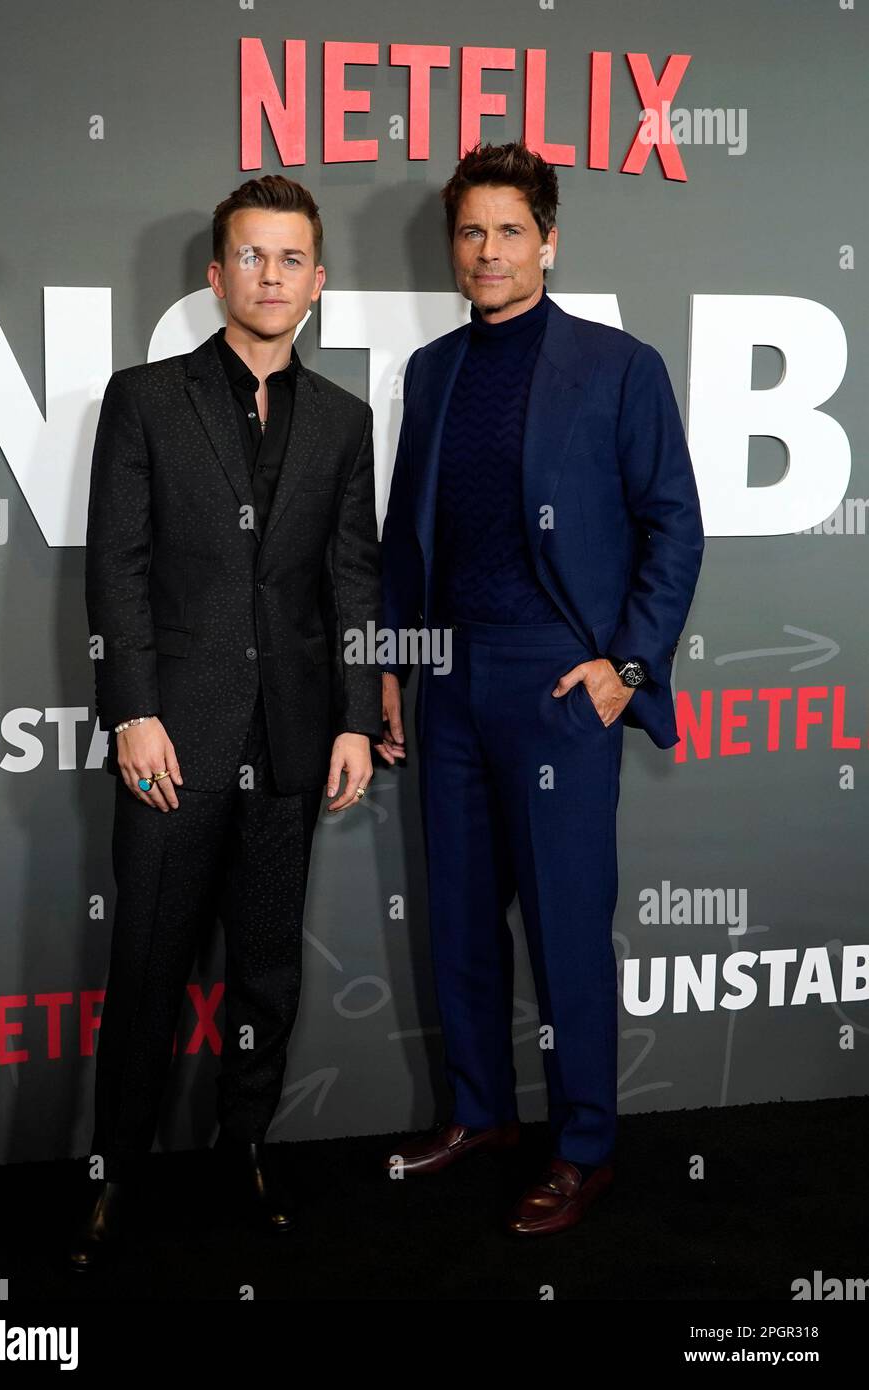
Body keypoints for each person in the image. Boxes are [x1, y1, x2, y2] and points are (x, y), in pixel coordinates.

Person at [377, 141, 704, 1236]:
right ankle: (479, 1112)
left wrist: (627, 667)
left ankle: (584, 1146)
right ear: (452, 248)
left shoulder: (621, 367)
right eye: (470, 231)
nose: (488, 250)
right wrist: (394, 664)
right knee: (460, 916)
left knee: (566, 924)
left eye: (510, 230)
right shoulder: (432, 371)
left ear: (550, 242)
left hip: (560, 678)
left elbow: (675, 525)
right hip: (451, 676)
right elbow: (404, 546)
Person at [69, 174, 382, 1270]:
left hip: (292, 743)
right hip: (175, 739)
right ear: (216, 275)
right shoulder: (145, 397)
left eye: (291, 258)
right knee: (148, 966)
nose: (271, 275)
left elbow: (353, 584)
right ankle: (115, 1172)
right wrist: (135, 712)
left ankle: (244, 1146)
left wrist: (353, 720)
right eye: (251, 256)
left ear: (318, 282)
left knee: (266, 972)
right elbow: (119, 569)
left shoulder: (347, 420)